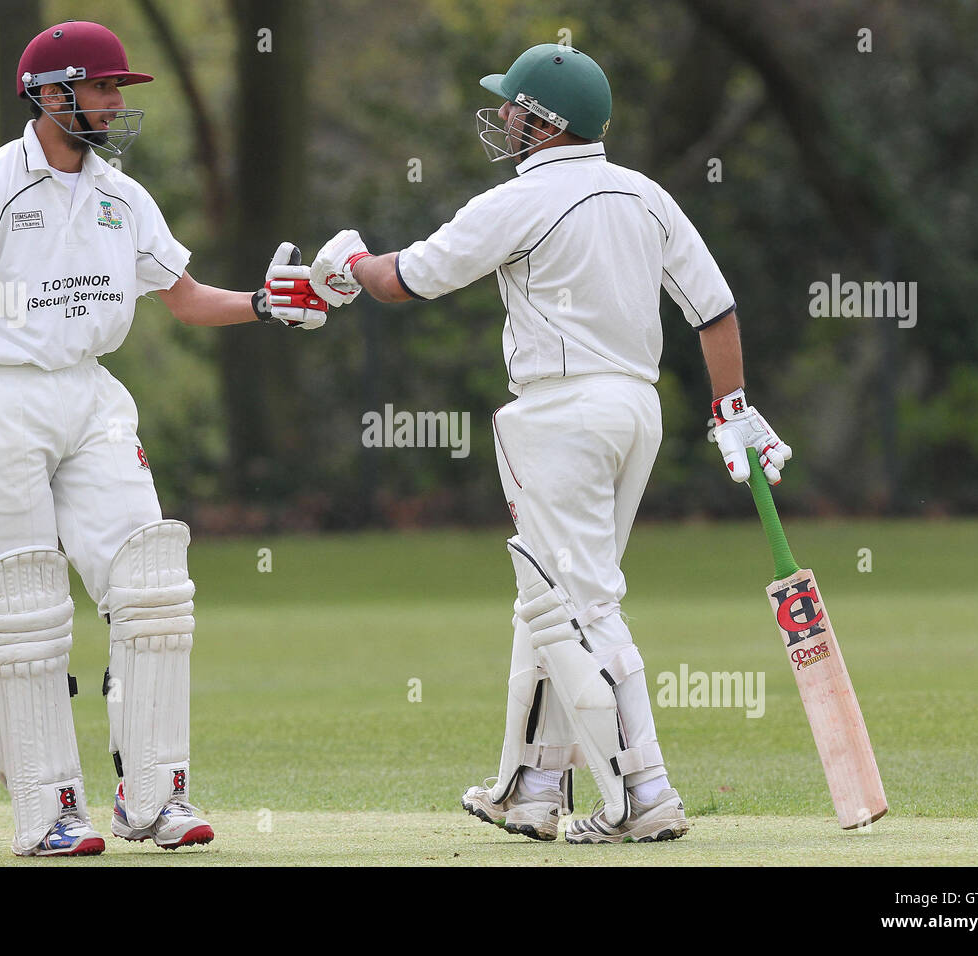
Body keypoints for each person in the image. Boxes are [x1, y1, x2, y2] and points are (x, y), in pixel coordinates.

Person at [0, 20, 327, 857]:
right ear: (51, 94)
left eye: (118, 90)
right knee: (26, 606)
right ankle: (47, 811)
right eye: (104, 88)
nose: (115, 104)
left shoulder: (122, 196)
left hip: (92, 396)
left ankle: (153, 800)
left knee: (152, 585)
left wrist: (264, 300)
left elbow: (182, 297)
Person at [310, 43, 791, 844]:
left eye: (514, 107)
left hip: (560, 417)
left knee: (579, 604)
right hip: (637, 412)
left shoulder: (521, 199)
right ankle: (531, 787)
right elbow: (715, 308)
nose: (503, 117)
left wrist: (349, 260)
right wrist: (730, 406)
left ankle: (645, 794)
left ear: (543, 123)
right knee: (550, 601)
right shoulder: (645, 195)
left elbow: (413, 278)